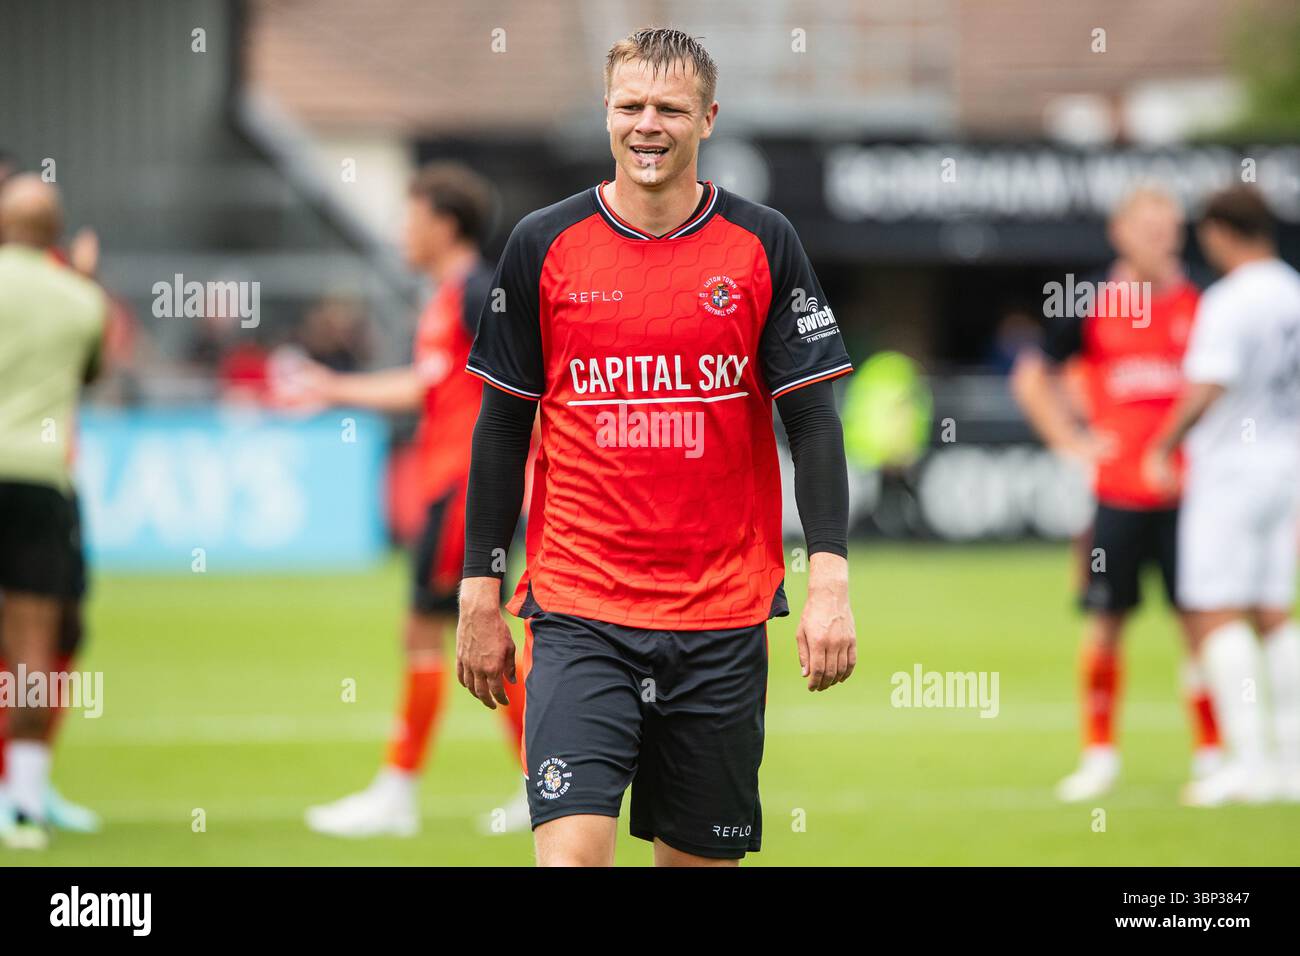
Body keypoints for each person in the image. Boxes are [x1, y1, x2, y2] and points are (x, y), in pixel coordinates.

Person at [456, 27, 857, 867]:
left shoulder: (763, 242)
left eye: (670, 108)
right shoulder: (542, 244)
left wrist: (829, 582)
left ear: (707, 117)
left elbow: (814, 420)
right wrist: (478, 593)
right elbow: (500, 426)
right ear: (606, 115)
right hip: (579, 610)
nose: (648, 124)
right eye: (630, 106)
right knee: (571, 857)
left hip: (722, 613)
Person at [301, 163, 530, 837]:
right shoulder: (445, 296)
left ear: (444, 223)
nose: (403, 230)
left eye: (411, 217)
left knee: (446, 632)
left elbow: (519, 389)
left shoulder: (477, 293)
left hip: (467, 488)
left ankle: (404, 791)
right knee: (457, 634)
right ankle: (536, 779)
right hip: (451, 484)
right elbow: (428, 388)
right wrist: (332, 389)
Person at [1011, 187, 1221, 802]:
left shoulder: (1205, 304)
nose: (1163, 238)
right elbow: (1032, 375)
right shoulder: (1093, 303)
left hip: (1192, 497)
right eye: (1150, 227)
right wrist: (1070, 443)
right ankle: (1099, 755)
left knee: (1201, 625)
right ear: (1120, 233)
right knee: (1104, 623)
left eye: (1171, 227)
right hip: (1118, 495)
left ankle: (1212, 753)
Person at [1145, 185, 1300, 806]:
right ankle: (1290, 764)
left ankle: (1248, 763)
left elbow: (1210, 383)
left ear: (1219, 231)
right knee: (1272, 612)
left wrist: (1162, 445)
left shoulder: (1231, 299)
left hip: (1232, 467)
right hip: (1283, 460)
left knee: (1213, 611)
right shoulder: (1292, 290)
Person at [0, 175, 106, 849]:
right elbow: (90, 375)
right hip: (39, 478)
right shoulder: (81, 298)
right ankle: (27, 804)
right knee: (37, 644)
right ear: (58, 232)